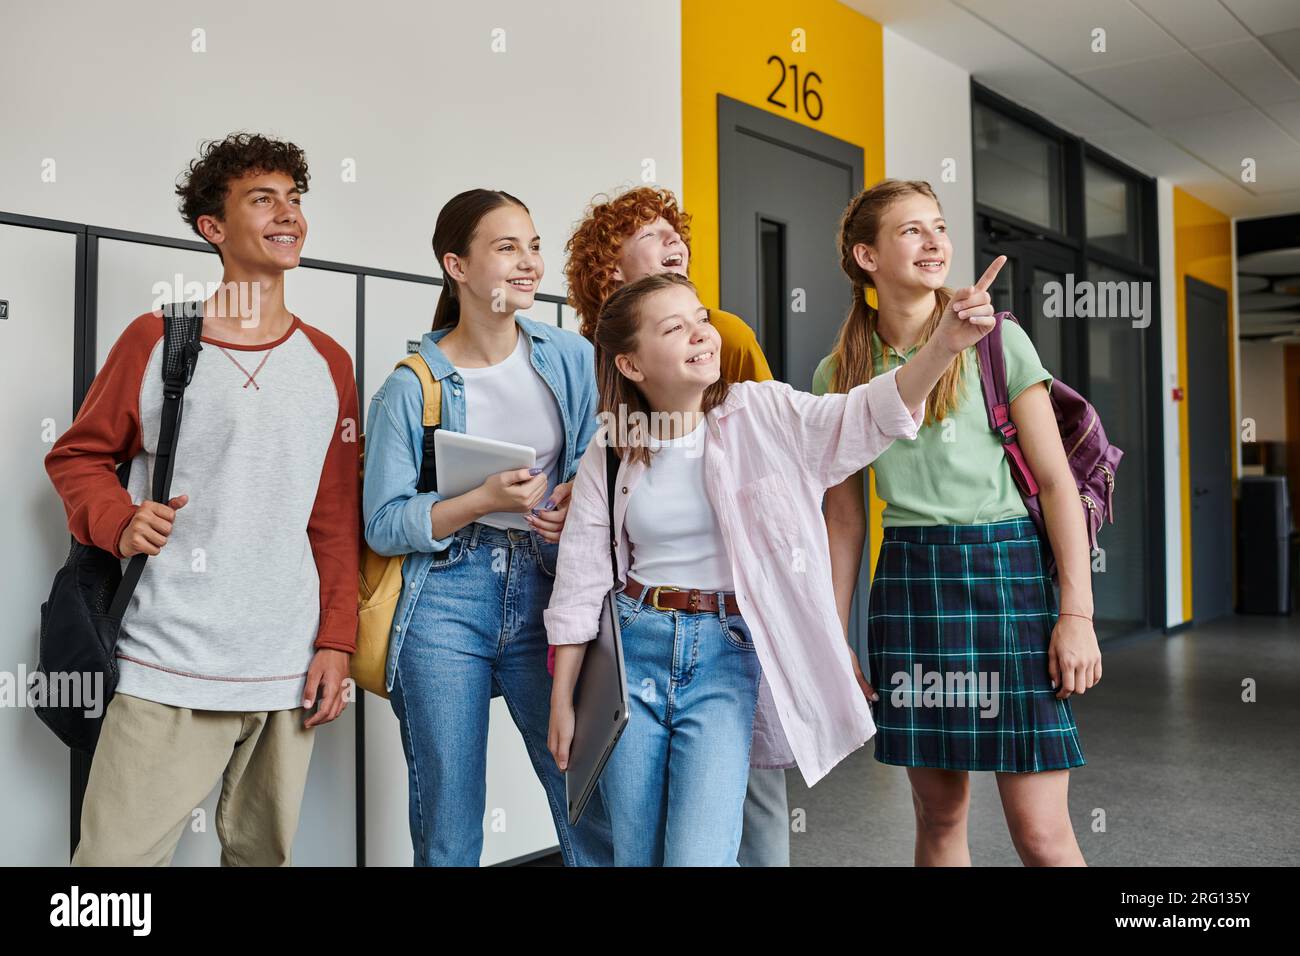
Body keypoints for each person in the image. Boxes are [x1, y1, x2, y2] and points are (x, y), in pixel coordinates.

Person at [545, 271, 996, 865]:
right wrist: (562, 699)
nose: (701, 334)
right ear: (631, 365)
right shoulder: (612, 446)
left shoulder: (762, 412)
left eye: (700, 318)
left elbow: (864, 415)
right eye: (674, 327)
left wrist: (943, 345)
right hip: (634, 653)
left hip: (724, 658)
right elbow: (581, 580)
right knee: (634, 854)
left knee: (699, 856)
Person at [46, 132, 358, 866]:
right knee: (110, 876)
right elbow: (78, 457)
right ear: (212, 228)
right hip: (168, 660)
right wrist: (120, 521)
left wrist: (336, 642)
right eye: (262, 199)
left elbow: (335, 519)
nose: (288, 215)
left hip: (286, 668)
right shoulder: (157, 339)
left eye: (294, 199)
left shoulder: (328, 362)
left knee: (261, 860)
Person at [811, 178, 1101, 866]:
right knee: (938, 821)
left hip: (1012, 579)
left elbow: (1058, 483)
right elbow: (844, 520)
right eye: (911, 229)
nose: (935, 241)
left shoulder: (998, 342)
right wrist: (831, 636)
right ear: (866, 256)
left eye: (938, 226)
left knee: (1041, 834)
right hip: (912, 583)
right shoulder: (840, 374)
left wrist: (1077, 613)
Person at [363, 188, 612, 866]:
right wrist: (477, 500)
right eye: (507, 248)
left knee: (586, 795)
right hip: (444, 600)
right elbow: (383, 524)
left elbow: (600, 452)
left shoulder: (567, 354)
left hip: (546, 590)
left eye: (533, 245)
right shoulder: (412, 387)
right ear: (458, 266)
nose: (529, 262)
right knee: (449, 822)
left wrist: (570, 498)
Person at [563, 185, 787, 866]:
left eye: (675, 231)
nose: (676, 243)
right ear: (610, 270)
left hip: (726, 620)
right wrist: (574, 498)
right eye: (654, 236)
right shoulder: (588, 355)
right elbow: (610, 458)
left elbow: (765, 453)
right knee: (636, 817)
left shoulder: (723, 335)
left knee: (749, 808)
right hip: (635, 620)